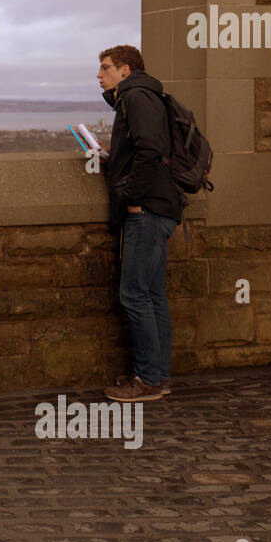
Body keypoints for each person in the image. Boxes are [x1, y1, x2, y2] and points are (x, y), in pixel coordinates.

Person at [95, 45, 183, 403]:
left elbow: (151, 150)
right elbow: (143, 149)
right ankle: (157, 375)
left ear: (125, 70)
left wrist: (131, 196)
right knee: (152, 294)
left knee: (134, 294)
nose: (99, 75)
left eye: (105, 68)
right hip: (158, 207)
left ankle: (146, 380)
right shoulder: (146, 94)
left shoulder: (136, 96)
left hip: (146, 210)